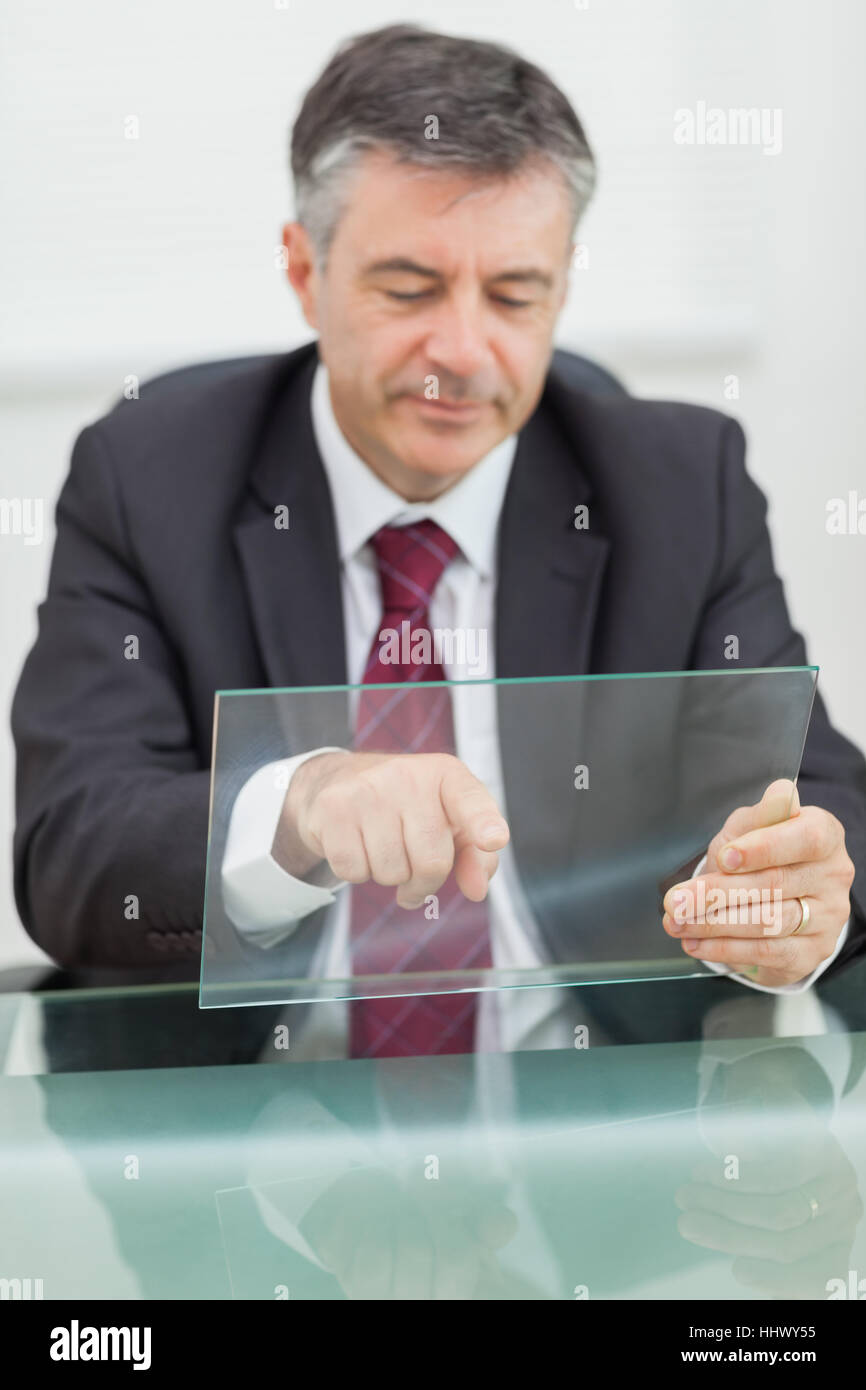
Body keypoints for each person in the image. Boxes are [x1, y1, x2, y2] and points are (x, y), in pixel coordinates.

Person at [12, 25, 865, 1057]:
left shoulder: (680, 488)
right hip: (256, 1144)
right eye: (408, 289)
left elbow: (812, 797)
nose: (460, 353)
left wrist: (803, 887)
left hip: (591, 1116)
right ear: (302, 270)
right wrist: (296, 807)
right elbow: (72, 850)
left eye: (514, 294)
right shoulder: (147, 480)